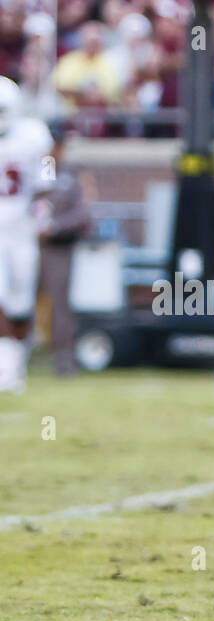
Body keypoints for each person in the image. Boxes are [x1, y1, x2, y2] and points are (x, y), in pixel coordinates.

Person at [0, 77, 54, 395]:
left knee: (21, 302)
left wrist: (44, 213)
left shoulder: (32, 135)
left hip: (21, 230)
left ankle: (14, 365)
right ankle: (6, 366)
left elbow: (47, 174)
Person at [33, 126, 94, 378]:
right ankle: (15, 356)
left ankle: (63, 360)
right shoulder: (35, 171)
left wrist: (54, 228)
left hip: (57, 248)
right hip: (27, 244)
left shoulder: (71, 175)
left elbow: (83, 214)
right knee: (16, 299)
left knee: (59, 306)